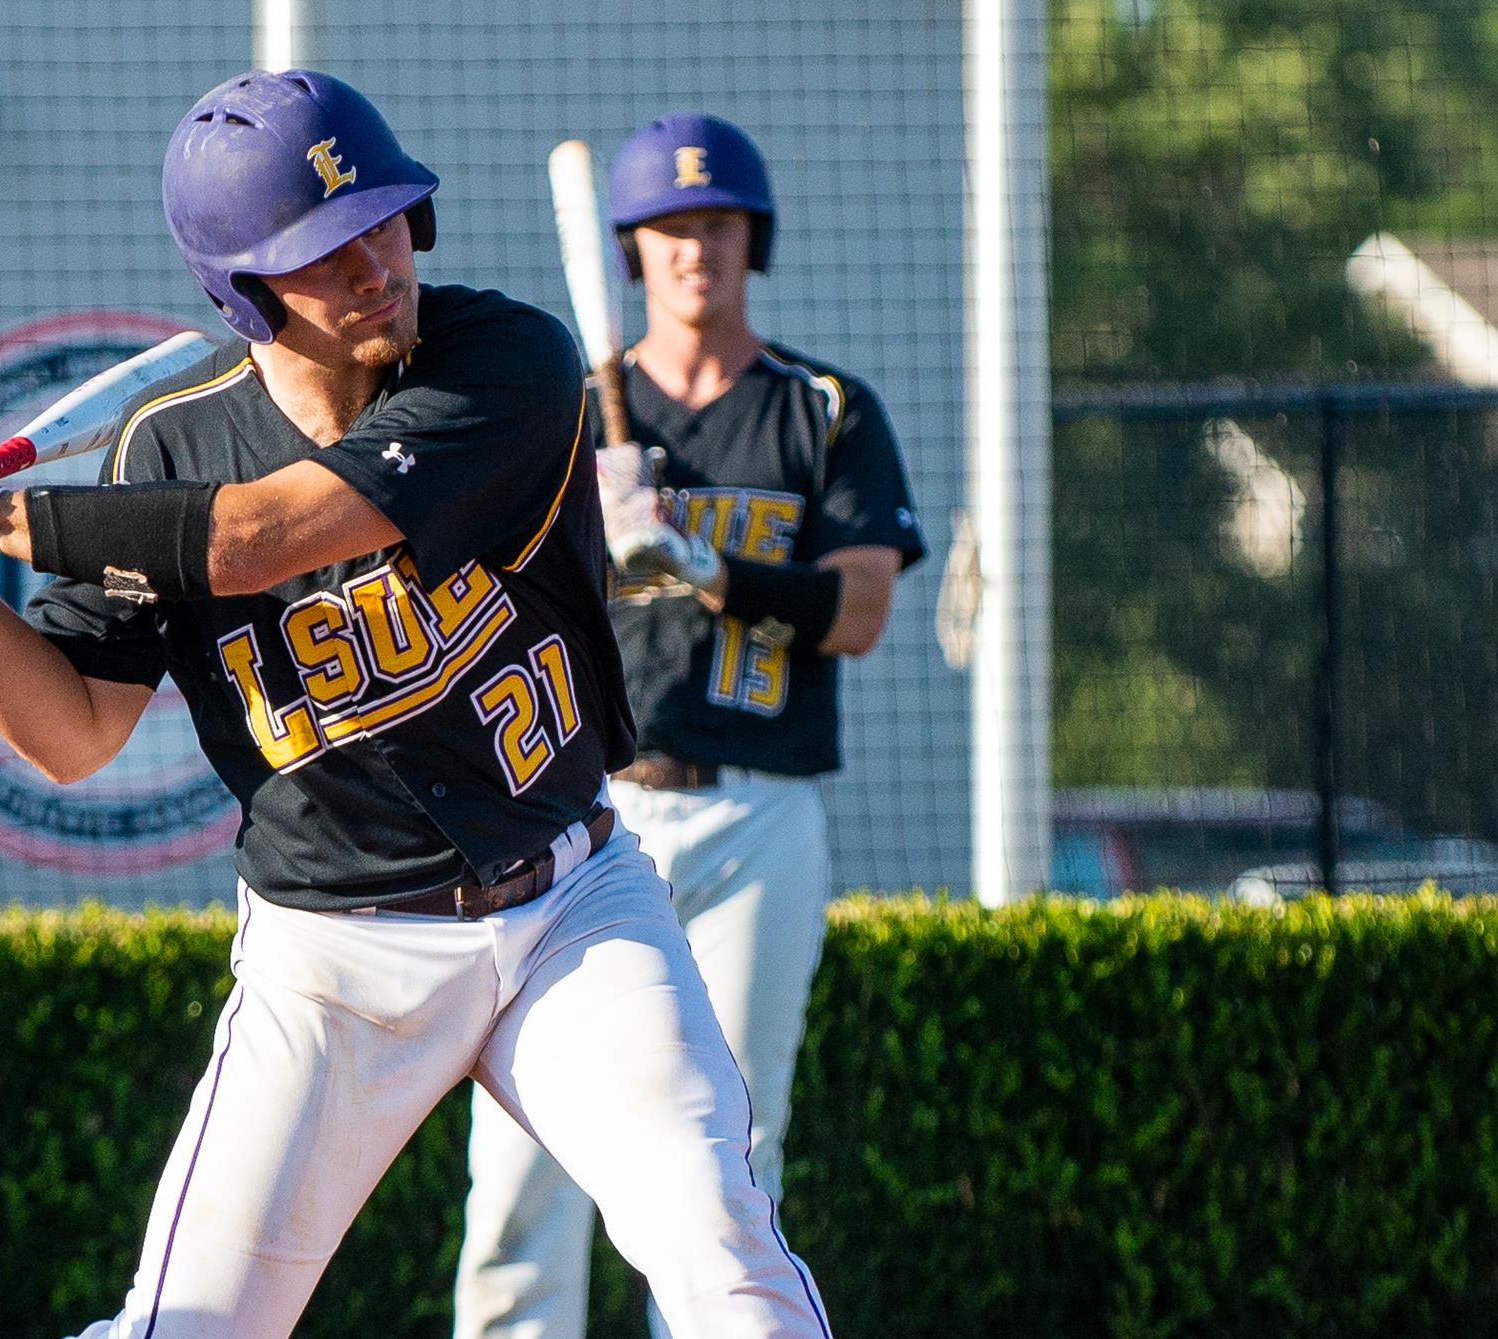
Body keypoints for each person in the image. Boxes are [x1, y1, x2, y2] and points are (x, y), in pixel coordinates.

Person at [0, 72, 833, 1339]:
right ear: (247, 290)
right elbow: (70, 733)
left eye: (382, 216)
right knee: (184, 1327)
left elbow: (264, 538)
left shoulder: (505, 360)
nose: (372, 260)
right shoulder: (168, 448)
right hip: (333, 958)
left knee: (722, 1257)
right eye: (319, 247)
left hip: (571, 904)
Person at [453, 113, 926, 1339]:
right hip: (581, 810)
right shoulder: (564, 415)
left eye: (714, 224)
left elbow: (861, 609)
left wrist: (707, 565)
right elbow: (476, 589)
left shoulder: (823, 410)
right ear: (630, 251)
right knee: (521, 1156)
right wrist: (582, 532)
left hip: (754, 808)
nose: (692, 250)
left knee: (726, 1150)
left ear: (749, 239)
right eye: (667, 228)